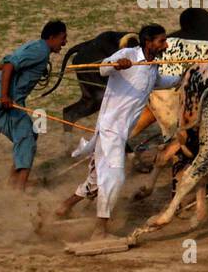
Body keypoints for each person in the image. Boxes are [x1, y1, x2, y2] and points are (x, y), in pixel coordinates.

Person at [56, 24, 179, 239]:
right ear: (148, 42)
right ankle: (100, 231)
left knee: (97, 178)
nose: (166, 44)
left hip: (120, 132)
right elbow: (103, 68)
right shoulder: (128, 54)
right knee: (115, 176)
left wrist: (183, 77)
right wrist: (117, 65)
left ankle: (63, 207)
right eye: (161, 41)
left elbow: (159, 82)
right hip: (111, 128)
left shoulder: (152, 66)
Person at [0, 20, 69, 190]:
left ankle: (12, 182)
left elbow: (4, 64)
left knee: (31, 134)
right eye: (63, 38)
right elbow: (8, 66)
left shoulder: (38, 49)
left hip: (9, 102)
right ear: (52, 37)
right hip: (4, 104)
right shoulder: (39, 52)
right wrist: (4, 96)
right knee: (26, 137)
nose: (65, 43)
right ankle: (18, 193)